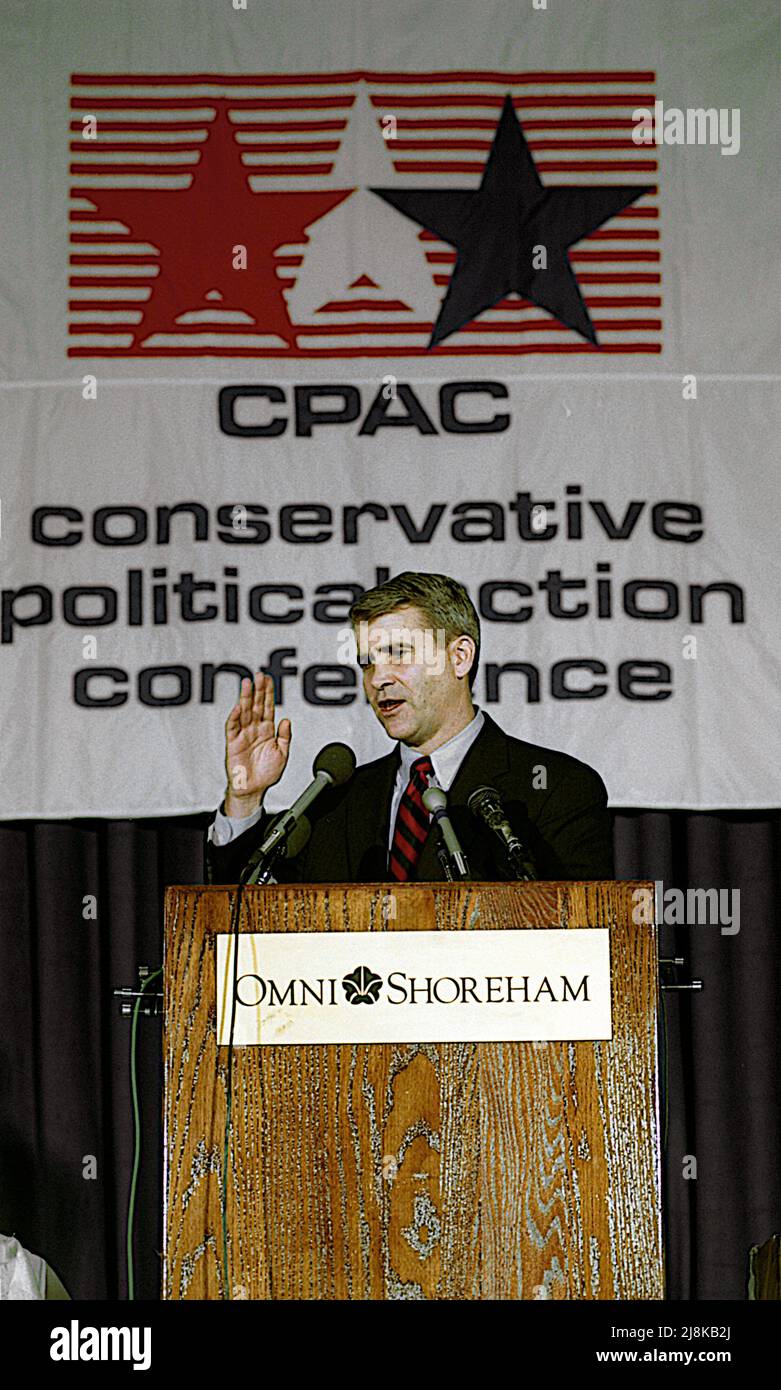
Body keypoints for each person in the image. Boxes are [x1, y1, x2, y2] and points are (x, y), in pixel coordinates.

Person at [206, 571, 614, 884]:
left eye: (398, 654)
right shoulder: (337, 804)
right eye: (367, 663)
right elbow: (248, 920)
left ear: (459, 657)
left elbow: (583, 940)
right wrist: (244, 798)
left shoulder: (556, 790)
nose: (378, 679)